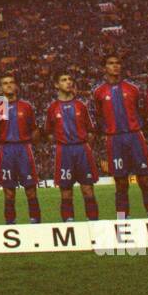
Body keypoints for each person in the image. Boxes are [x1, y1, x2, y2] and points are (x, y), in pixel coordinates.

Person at [91, 54, 148, 219]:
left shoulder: (133, 88)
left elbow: (142, 111)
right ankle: (122, 218)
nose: (115, 66)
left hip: (135, 137)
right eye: (111, 63)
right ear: (104, 68)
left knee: (145, 180)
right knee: (121, 183)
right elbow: (97, 116)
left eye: (117, 63)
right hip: (114, 139)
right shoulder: (98, 92)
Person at [45, 72, 99, 222]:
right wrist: (61, 143)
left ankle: (93, 222)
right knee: (66, 192)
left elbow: (91, 130)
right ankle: (69, 225)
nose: (68, 82)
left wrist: (84, 144)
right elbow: (48, 133)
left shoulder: (81, 105)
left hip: (82, 150)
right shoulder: (52, 108)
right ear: (57, 85)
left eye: (70, 79)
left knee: (88, 190)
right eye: (63, 79)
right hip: (64, 152)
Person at [0, 73, 42, 224]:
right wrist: (0, 142)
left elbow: (35, 130)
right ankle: (10, 224)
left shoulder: (26, 106)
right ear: (1, 87)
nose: (9, 85)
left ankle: (36, 222)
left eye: (11, 82)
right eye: (5, 83)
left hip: (24, 149)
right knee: (9, 192)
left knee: (31, 190)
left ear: (16, 85)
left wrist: (32, 142)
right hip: (6, 151)